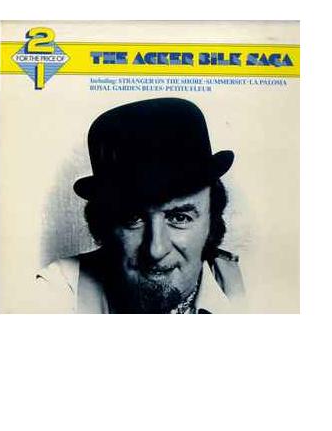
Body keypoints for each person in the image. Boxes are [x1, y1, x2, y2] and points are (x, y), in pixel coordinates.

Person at [35, 97, 245, 313]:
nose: (156, 250)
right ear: (103, 226)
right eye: (132, 218)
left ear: (211, 222)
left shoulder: (253, 286)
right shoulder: (58, 290)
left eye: (179, 218)